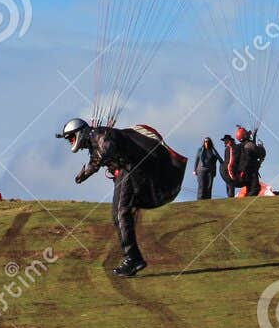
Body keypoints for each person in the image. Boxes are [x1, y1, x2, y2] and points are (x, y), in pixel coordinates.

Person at [59, 118, 186, 277]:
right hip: (127, 172)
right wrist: (85, 173)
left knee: (121, 212)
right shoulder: (95, 140)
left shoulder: (99, 134)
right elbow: (99, 157)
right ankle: (132, 257)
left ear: (79, 132)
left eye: (71, 138)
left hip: (130, 170)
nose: (71, 142)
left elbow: (105, 151)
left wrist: (86, 173)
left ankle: (133, 258)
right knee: (117, 214)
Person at [232, 126, 265, 196]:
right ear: (245, 135)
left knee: (250, 188)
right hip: (251, 171)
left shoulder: (242, 146)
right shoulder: (249, 145)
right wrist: (261, 148)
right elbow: (258, 153)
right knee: (255, 188)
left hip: (244, 172)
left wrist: (254, 135)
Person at [219, 133, 237, 198]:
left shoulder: (230, 148)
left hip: (230, 169)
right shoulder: (229, 148)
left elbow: (230, 160)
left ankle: (230, 198)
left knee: (230, 185)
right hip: (227, 169)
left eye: (225, 141)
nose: (224, 142)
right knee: (229, 185)